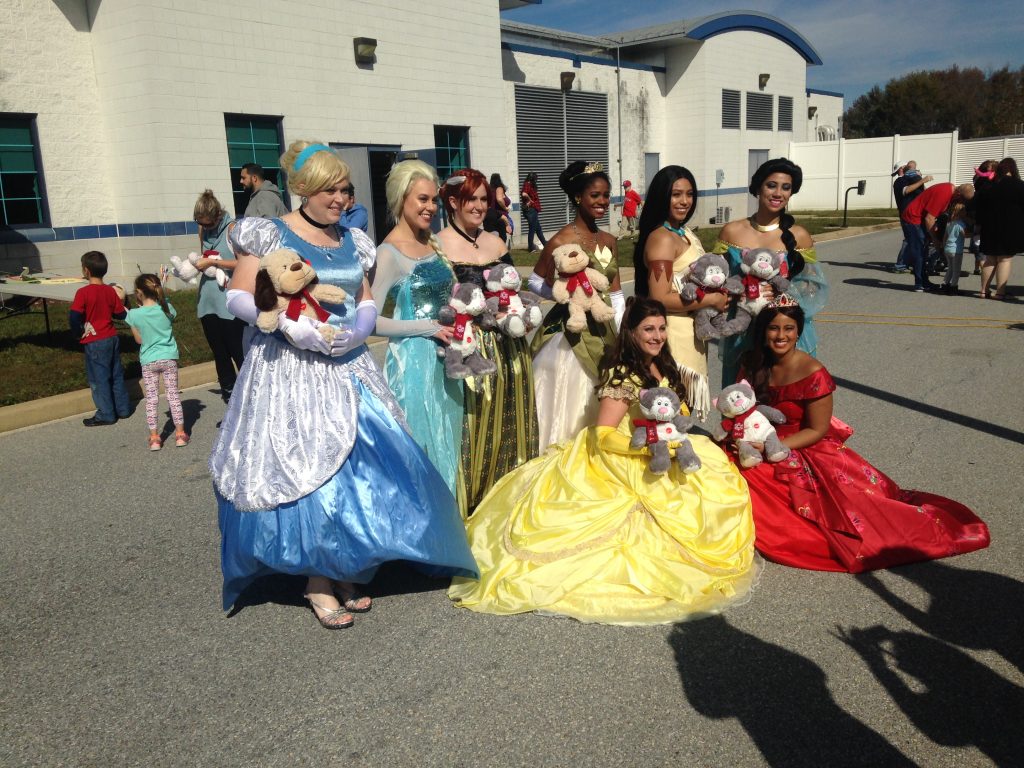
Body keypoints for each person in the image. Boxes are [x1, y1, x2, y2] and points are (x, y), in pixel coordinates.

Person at [211, 141, 476, 628]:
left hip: (347, 361)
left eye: (346, 189)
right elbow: (238, 295)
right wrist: (287, 325)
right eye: (331, 190)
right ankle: (316, 578)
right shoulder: (268, 233)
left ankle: (347, 561)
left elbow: (364, 295)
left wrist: (360, 325)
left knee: (361, 462)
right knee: (306, 464)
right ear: (304, 190)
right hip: (289, 367)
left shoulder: (353, 240)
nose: (340, 198)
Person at [448, 297, 759, 625]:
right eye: (648, 329)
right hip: (625, 453)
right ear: (632, 333)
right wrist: (646, 447)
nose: (657, 336)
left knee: (715, 483)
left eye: (661, 328)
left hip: (666, 448)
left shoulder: (662, 362)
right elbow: (603, 435)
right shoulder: (622, 374)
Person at [733, 301, 990, 572]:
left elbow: (817, 430)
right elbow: (740, 406)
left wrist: (773, 447)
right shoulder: (752, 362)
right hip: (754, 437)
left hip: (800, 446)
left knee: (756, 479)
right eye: (773, 328)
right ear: (763, 331)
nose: (781, 335)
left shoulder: (812, 372)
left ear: (799, 332)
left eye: (789, 328)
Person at [438, 168, 539, 513]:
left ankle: (514, 501)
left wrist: (522, 314)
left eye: (484, 198)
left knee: (515, 417)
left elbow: (513, 288)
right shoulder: (438, 246)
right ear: (453, 202)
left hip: (511, 345)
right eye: (472, 199)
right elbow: (439, 305)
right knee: (477, 425)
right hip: (473, 346)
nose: (481, 206)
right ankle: (474, 508)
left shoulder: (496, 240)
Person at [371, 159, 464, 505]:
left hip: (447, 361)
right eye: (422, 200)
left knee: (450, 442)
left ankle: (452, 527)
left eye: (433, 200)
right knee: (424, 449)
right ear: (401, 200)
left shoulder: (431, 242)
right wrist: (427, 328)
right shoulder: (388, 253)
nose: (430, 207)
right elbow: (373, 322)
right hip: (415, 368)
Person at [528, 160, 624, 452]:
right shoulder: (560, 239)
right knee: (568, 403)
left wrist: (620, 337)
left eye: (606, 195)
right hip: (569, 336)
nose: (602, 202)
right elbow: (533, 281)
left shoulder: (608, 240)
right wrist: (564, 294)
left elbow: (617, 293)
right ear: (578, 197)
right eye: (595, 195)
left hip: (603, 325)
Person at [713, 157, 827, 387]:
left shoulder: (800, 236)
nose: (778, 193)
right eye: (771, 185)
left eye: (786, 188)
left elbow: (813, 287)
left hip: (784, 333)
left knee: (785, 403)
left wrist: (778, 292)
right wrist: (733, 293)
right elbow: (715, 277)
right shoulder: (731, 232)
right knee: (740, 401)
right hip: (743, 332)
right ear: (758, 188)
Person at [633, 165, 721, 419]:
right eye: (676, 194)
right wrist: (711, 299)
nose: (684, 201)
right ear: (662, 196)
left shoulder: (683, 233)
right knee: (671, 409)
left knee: (679, 412)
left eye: (689, 194)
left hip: (691, 330)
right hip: (673, 334)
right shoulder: (662, 238)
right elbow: (659, 297)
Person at [126, 273, 188, 450]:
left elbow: (139, 340)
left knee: (152, 399)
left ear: (138, 292)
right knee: (173, 395)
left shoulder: (134, 314)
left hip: (149, 360)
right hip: (169, 357)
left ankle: (154, 438)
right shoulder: (167, 307)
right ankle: (180, 434)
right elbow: (168, 311)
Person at [68, 250, 131, 426]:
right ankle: (123, 408)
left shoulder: (83, 292)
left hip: (94, 341)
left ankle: (106, 413)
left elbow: (74, 315)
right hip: (112, 337)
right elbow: (119, 314)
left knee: (98, 378)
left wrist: (77, 331)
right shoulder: (110, 291)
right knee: (116, 374)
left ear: (86, 271)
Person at [192, 190, 244, 403]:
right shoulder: (203, 230)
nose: (206, 228)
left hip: (229, 302)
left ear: (218, 216)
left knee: (238, 353)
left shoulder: (233, 229)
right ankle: (230, 400)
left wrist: (214, 263)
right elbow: (203, 257)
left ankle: (250, 398)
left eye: (209, 224)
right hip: (208, 302)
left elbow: (244, 263)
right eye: (201, 224)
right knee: (220, 354)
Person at [901, 181, 975, 293]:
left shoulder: (949, 190)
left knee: (923, 251)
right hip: (913, 218)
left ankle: (925, 282)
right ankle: (919, 283)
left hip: (918, 218)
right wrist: (936, 241)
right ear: (959, 194)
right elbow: (929, 219)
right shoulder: (944, 194)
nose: (960, 203)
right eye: (962, 200)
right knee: (919, 251)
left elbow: (931, 216)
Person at [975, 157, 1024, 300]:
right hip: (1011, 227)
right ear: (1013, 169)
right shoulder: (1020, 185)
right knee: (1005, 259)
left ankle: (983, 291)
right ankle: (1000, 292)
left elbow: (979, 204)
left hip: (989, 226)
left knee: (990, 259)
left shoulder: (988, 185)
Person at [890, 161, 932, 273]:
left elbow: (922, 192)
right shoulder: (899, 181)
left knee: (918, 238)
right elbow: (906, 190)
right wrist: (922, 180)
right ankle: (901, 264)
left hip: (917, 214)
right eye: (909, 168)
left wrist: (920, 180)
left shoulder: (911, 180)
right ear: (901, 169)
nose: (912, 170)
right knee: (910, 238)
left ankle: (915, 263)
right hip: (907, 214)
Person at [970, 160, 999, 275]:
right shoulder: (990, 181)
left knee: (977, 239)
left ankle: (977, 267)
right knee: (981, 241)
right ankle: (984, 269)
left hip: (977, 213)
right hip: (986, 214)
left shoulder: (978, 179)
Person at [938, 199, 970, 295]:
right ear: (961, 213)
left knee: (950, 268)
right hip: (957, 250)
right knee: (956, 270)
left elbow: (945, 237)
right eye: (964, 211)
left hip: (948, 249)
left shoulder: (949, 223)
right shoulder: (961, 224)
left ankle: (945, 284)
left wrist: (943, 247)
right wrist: (974, 234)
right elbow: (965, 235)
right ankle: (953, 287)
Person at [520, 172, 547, 252]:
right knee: (532, 229)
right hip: (531, 210)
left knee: (538, 228)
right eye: (535, 179)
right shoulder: (528, 184)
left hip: (533, 210)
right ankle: (531, 247)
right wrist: (530, 200)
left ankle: (545, 244)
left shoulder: (528, 184)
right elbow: (524, 194)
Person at [484, 172, 513, 244]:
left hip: (490, 216)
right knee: (502, 239)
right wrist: (505, 208)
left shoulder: (489, 190)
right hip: (500, 216)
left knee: (492, 239)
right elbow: (499, 199)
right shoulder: (499, 188)